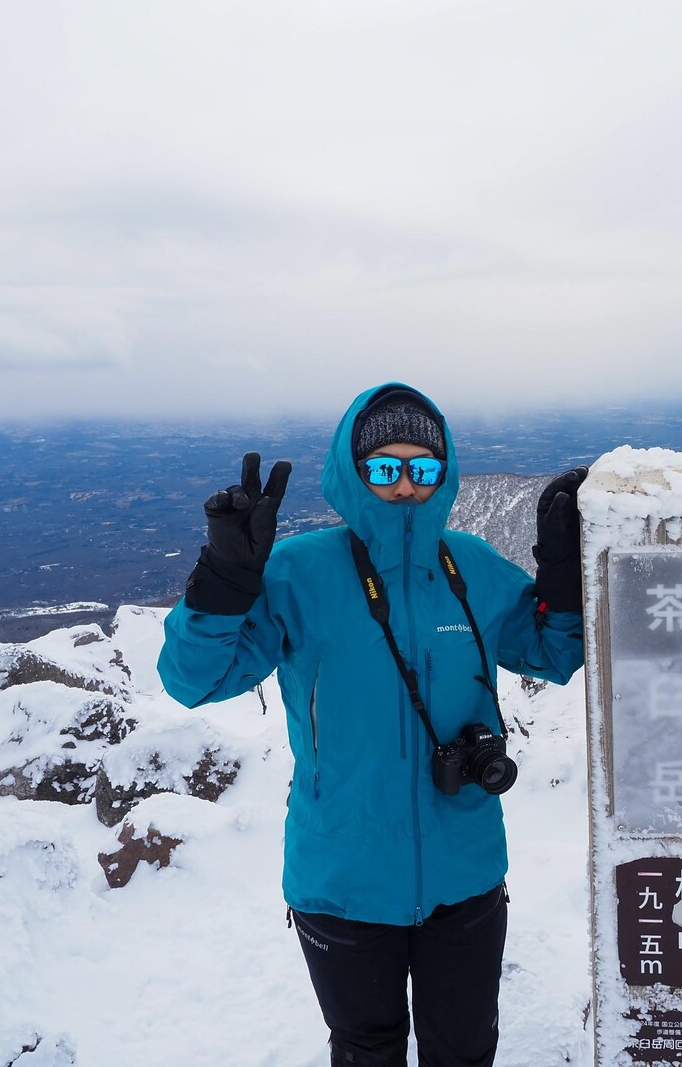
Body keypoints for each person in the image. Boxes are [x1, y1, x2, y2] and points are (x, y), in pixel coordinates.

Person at [157, 382, 587, 1067]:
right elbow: (194, 680)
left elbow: (554, 653)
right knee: (366, 1049)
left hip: (465, 870)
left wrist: (564, 577)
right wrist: (222, 583)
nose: (406, 486)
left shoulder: (469, 563)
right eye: (385, 467)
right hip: (343, 878)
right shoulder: (299, 572)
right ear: (353, 474)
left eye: (423, 466)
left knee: (466, 1049)